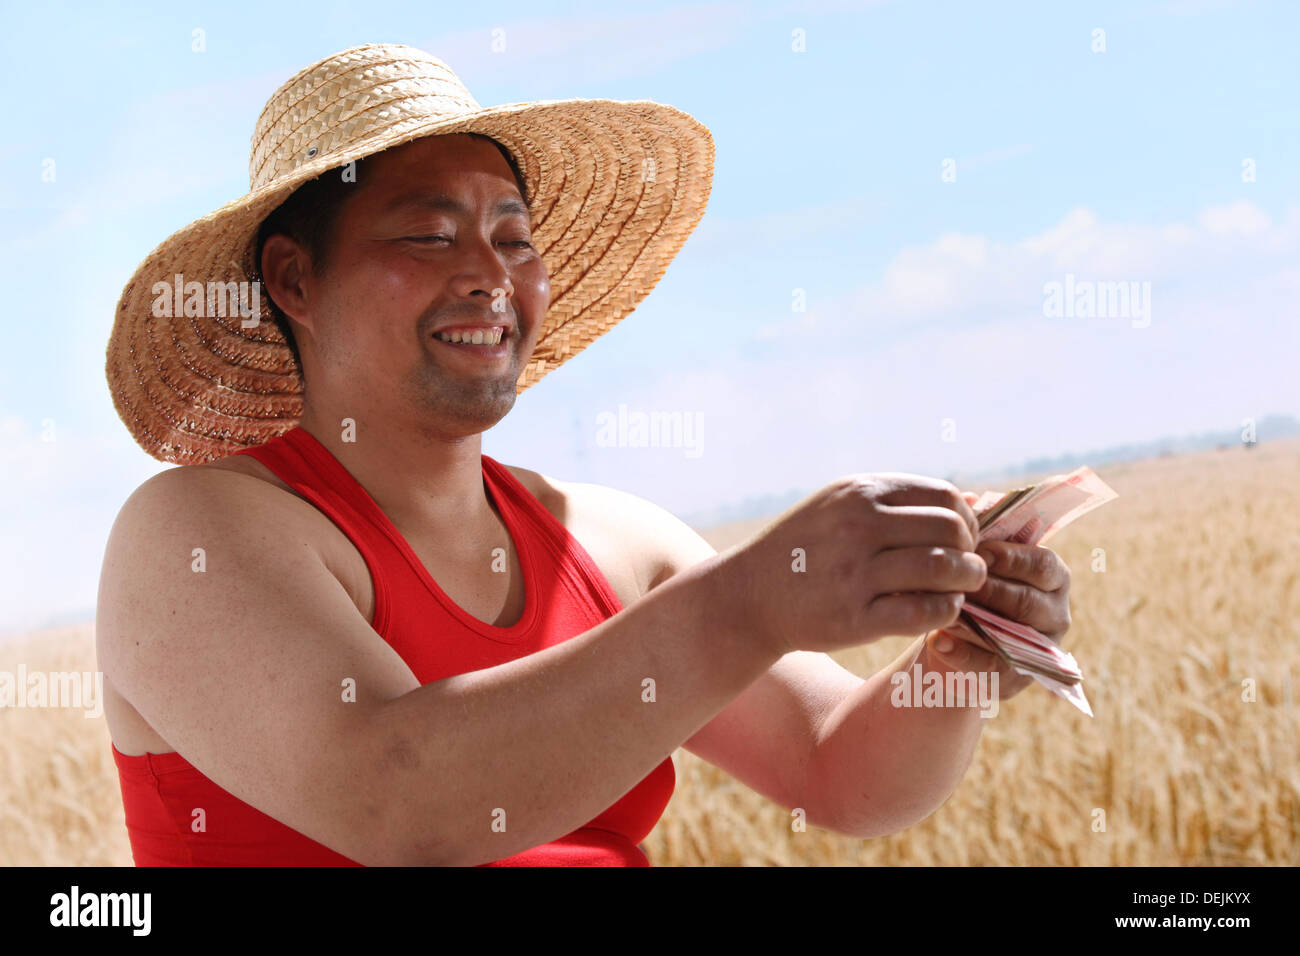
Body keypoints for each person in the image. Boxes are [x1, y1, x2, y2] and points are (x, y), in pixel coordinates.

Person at [97, 44, 1071, 867]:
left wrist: (961, 662)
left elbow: (835, 768)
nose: (488, 275)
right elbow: (395, 797)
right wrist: (750, 600)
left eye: (513, 238)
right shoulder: (193, 531)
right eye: (429, 234)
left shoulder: (612, 539)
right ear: (294, 280)